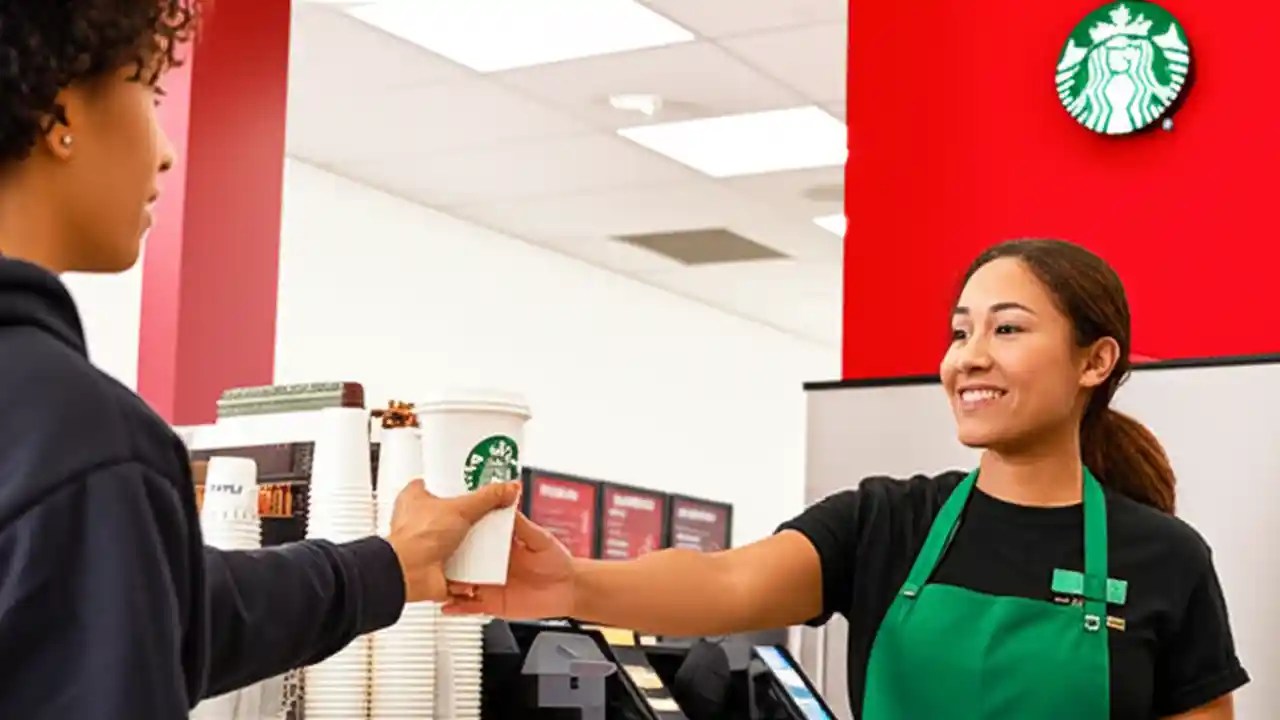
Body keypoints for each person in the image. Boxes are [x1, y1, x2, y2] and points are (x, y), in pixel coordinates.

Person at [447, 239, 1251, 719]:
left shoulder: (1165, 559)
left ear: (1095, 360)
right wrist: (572, 586)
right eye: (960, 331)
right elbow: (723, 582)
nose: (968, 356)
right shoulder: (888, 522)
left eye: (1008, 329)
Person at [0, 2, 520, 717]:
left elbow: (168, 616)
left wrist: (390, 565)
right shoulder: (81, 438)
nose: (165, 150)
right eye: (148, 94)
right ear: (61, 114)